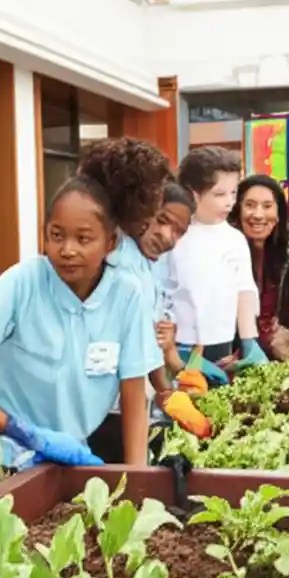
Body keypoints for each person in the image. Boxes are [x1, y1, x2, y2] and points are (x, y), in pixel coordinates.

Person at [0, 138, 168, 470]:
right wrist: (18, 430)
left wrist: (135, 478)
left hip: (71, 457)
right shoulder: (23, 282)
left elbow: (133, 391)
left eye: (83, 238)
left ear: (110, 242)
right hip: (5, 453)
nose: (67, 249)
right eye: (56, 235)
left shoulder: (126, 293)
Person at [94, 181, 193, 457]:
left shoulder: (146, 264)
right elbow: (136, 352)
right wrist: (167, 393)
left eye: (179, 232)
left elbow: (148, 343)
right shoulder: (119, 257)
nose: (168, 236)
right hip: (106, 409)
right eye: (162, 221)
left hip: (128, 407)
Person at [170, 147, 266, 382]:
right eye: (219, 194)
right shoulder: (174, 237)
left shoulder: (234, 239)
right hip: (178, 348)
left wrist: (249, 341)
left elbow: (243, 290)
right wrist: (174, 352)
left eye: (233, 193)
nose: (230, 202)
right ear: (193, 193)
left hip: (223, 348)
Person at [229, 175, 289, 358]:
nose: (258, 214)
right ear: (237, 210)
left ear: (279, 213)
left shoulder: (281, 259)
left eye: (267, 206)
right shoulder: (225, 255)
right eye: (250, 205)